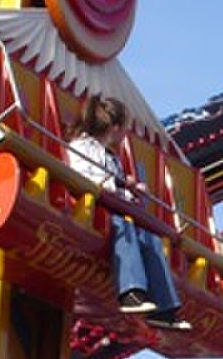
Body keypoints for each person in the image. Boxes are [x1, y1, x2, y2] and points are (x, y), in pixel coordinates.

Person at [67, 96, 191, 331]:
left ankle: (165, 307)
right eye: (125, 128)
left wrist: (129, 190)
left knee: (151, 238)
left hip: (114, 207)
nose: (126, 134)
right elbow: (86, 178)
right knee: (124, 227)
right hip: (91, 207)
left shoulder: (111, 157)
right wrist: (122, 186)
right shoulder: (81, 147)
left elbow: (114, 185)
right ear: (115, 127)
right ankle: (131, 292)